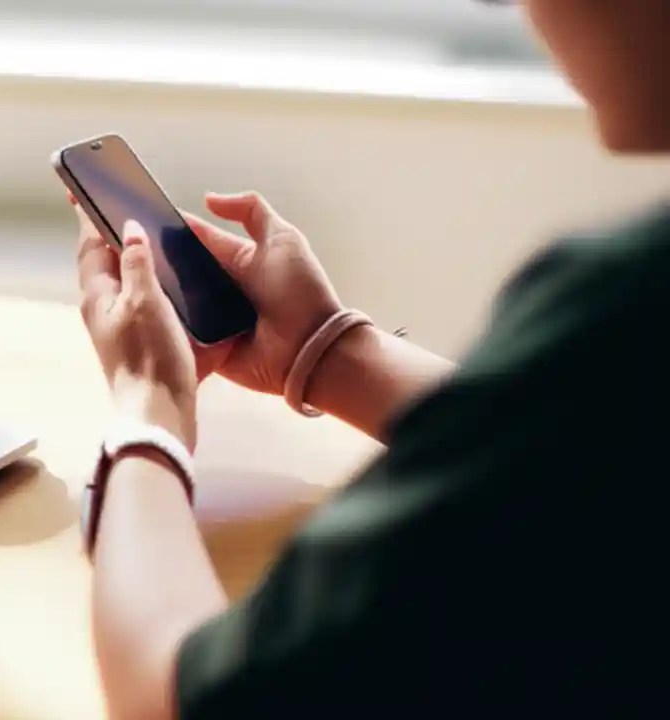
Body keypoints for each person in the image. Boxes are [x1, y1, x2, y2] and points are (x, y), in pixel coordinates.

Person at [74, 1, 669, 716]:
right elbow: (596, 455)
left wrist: (149, 408)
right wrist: (328, 349)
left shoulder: (626, 306)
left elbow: (184, 698)